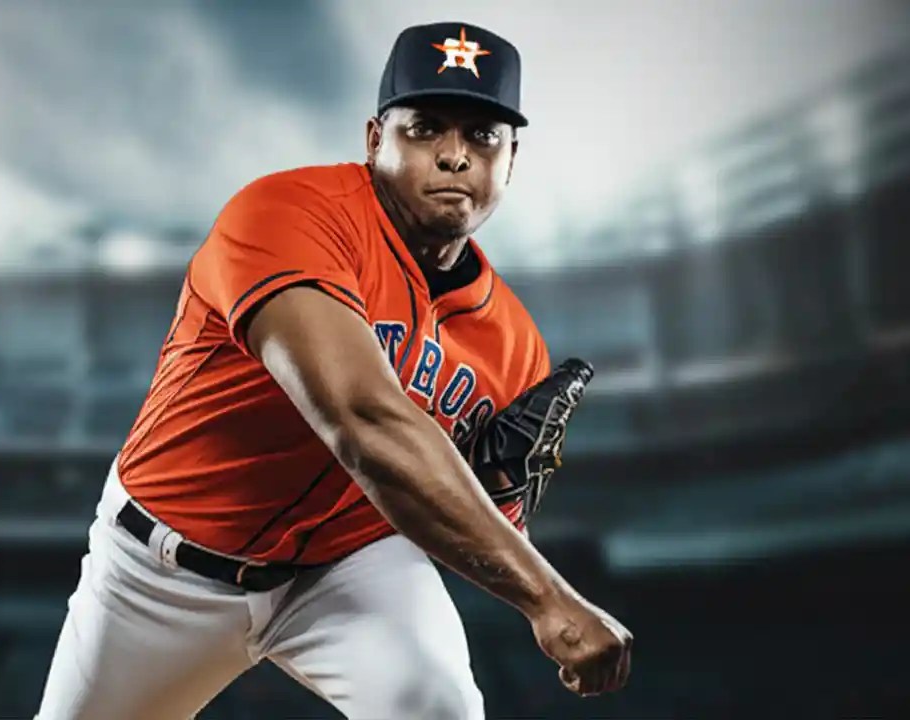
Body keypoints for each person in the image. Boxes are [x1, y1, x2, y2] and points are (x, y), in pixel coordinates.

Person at [35, 21, 632, 720]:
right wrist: (552, 599)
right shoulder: (287, 214)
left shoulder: (514, 347)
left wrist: (496, 491)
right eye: (426, 128)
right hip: (162, 573)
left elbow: (470, 525)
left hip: (350, 569)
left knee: (438, 707)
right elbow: (360, 419)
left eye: (482, 136)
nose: (453, 156)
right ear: (376, 139)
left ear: (511, 160)